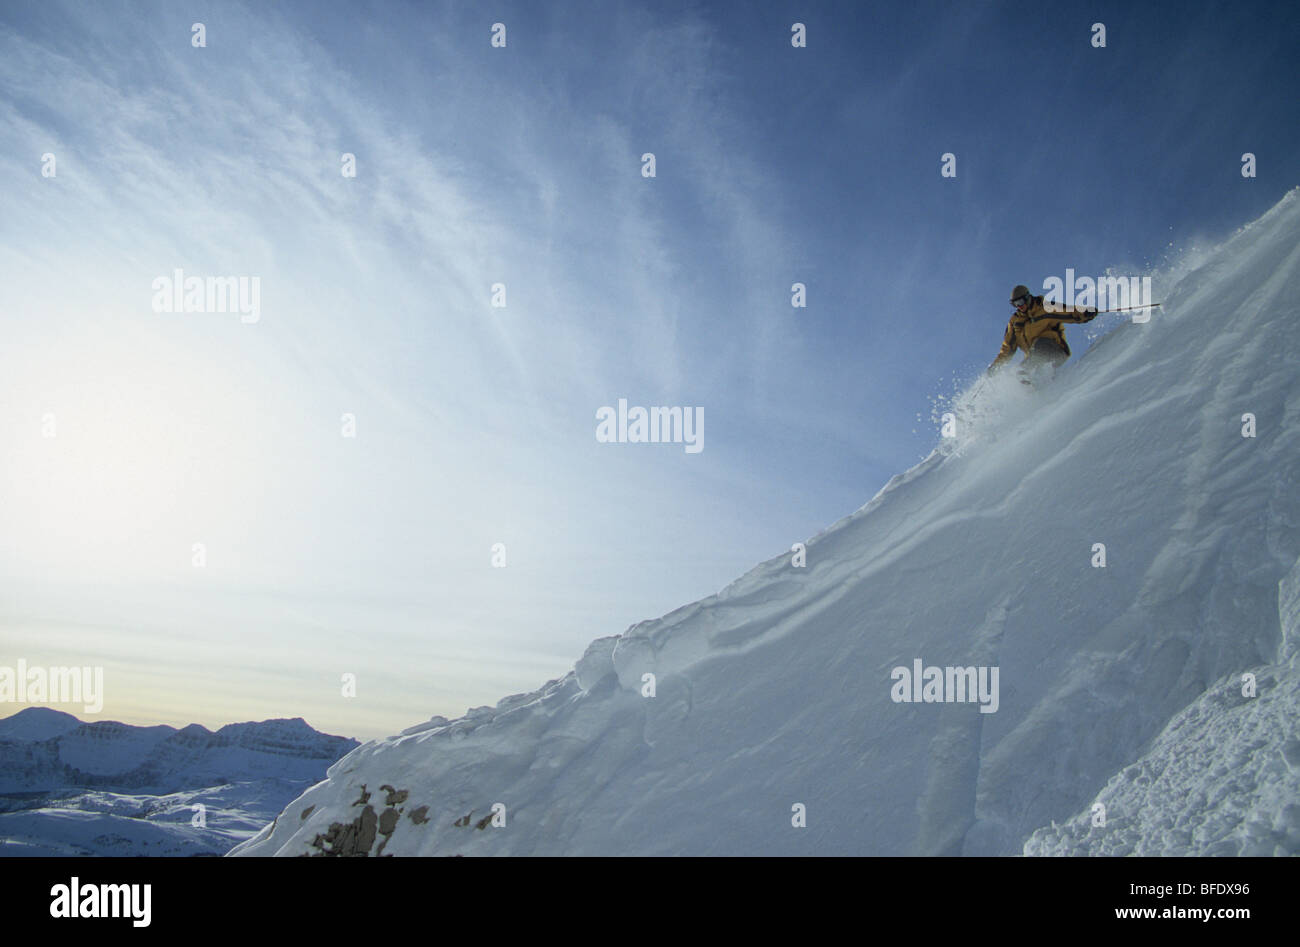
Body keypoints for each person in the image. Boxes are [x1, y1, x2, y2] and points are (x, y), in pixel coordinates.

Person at [988, 284, 1098, 376]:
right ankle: (1030, 389)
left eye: (1020, 302)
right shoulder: (1015, 322)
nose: (1019, 306)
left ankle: (1025, 373)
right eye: (1015, 304)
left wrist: (1086, 313)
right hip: (1036, 360)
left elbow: (1069, 311)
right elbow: (1007, 349)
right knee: (1025, 370)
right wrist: (996, 366)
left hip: (1056, 351)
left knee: (1038, 346)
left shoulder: (1045, 308)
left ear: (1027, 298)